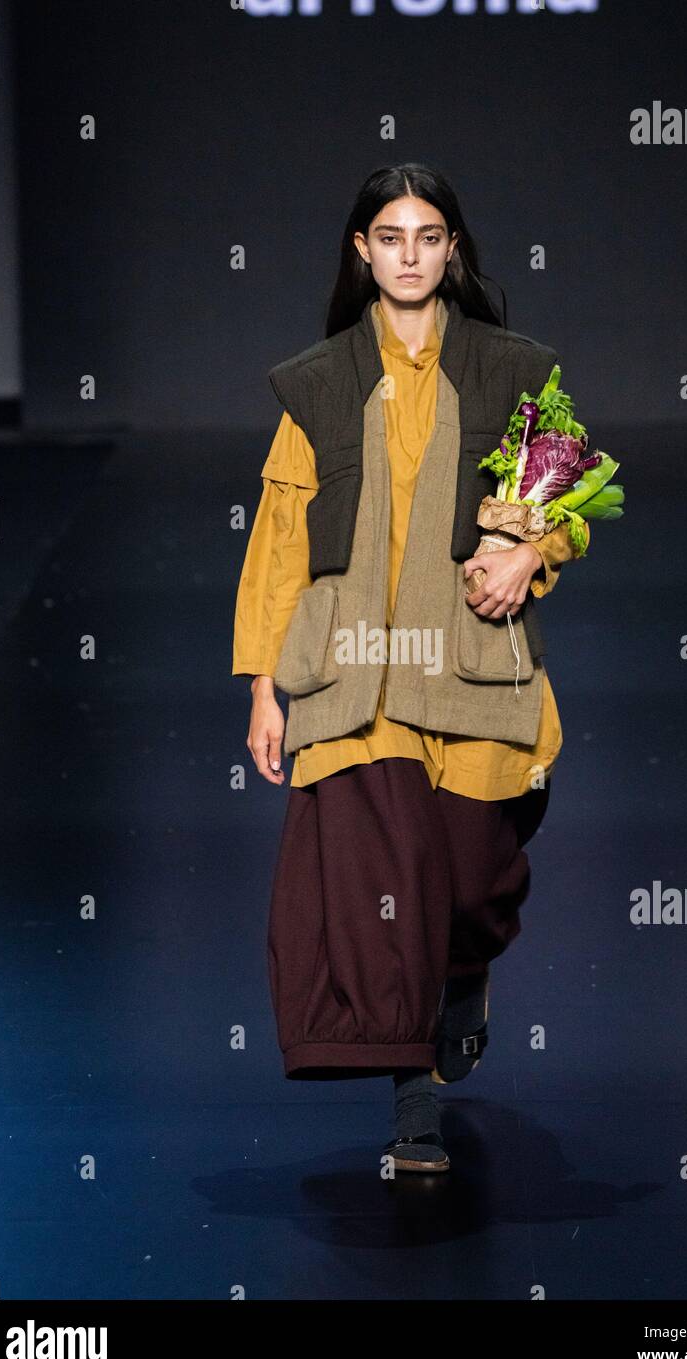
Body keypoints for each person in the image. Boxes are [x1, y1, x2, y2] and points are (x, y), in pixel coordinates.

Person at [232, 163, 590, 1174]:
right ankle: (412, 1112)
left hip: (474, 662)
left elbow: (569, 492)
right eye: (388, 237)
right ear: (361, 250)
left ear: (452, 249)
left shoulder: (514, 371)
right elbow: (278, 539)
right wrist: (265, 684)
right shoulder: (318, 383)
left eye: (427, 237)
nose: (408, 255)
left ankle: (462, 976)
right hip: (360, 675)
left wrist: (530, 550)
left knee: (472, 882)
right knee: (385, 888)